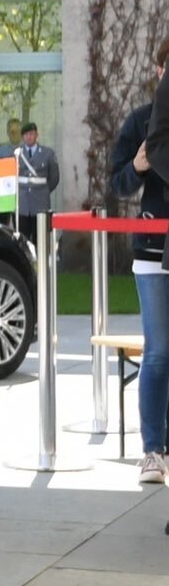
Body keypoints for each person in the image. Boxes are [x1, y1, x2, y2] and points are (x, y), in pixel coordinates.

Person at [114, 39, 169, 482]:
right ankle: (152, 450)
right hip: (151, 254)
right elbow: (118, 184)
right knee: (159, 352)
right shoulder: (139, 120)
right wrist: (137, 166)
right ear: (158, 70)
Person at [14, 122, 60, 242]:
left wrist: (43, 191)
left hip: (40, 203)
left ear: (37, 135)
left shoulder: (48, 153)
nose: (29, 137)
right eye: (26, 134)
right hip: (22, 204)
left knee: (41, 239)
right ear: (23, 137)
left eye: (31, 134)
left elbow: (54, 178)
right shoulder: (16, 154)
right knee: (22, 240)